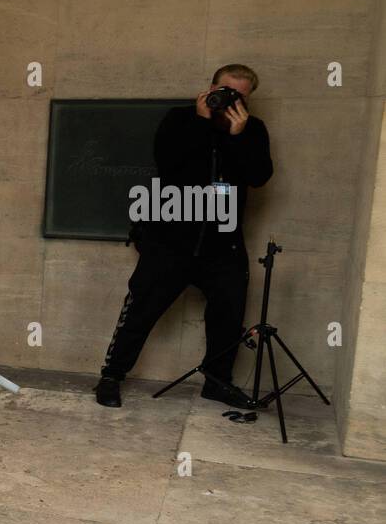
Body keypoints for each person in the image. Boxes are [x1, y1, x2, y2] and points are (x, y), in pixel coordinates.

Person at [95, 64, 273, 409]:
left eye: (240, 95)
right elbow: (169, 164)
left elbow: (259, 176)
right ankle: (112, 375)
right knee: (140, 310)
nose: (231, 99)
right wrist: (201, 120)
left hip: (224, 242)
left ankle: (218, 382)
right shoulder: (180, 119)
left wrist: (238, 138)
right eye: (225, 90)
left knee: (228, 316)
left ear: (249, 99)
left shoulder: (253, 130)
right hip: (172, 237)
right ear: (210, 88)